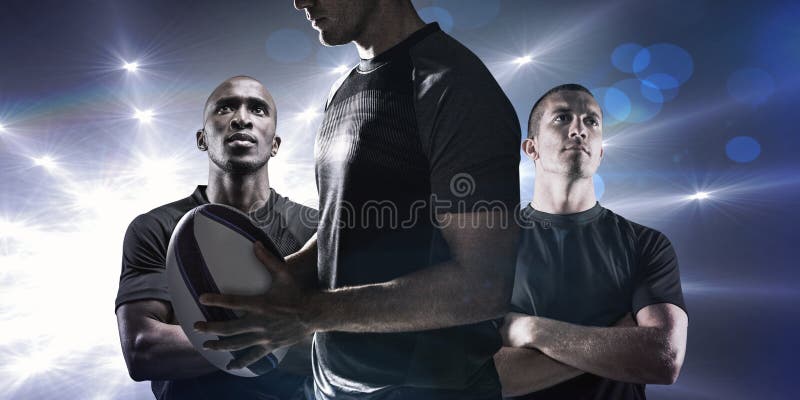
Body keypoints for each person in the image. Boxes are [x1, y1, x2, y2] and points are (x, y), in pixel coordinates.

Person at [194, 1, 521, 399]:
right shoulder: (342, 89)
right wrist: (267, 286)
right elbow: (341, 230)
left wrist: (308, 312)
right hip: (330, 386)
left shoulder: (455, 86)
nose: (299, 2)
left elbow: (484, 286)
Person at [115, 76, 318, 400]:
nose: (241, 118)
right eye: (225, 108)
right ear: (202, 139)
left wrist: (210, 335)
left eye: (258, 109)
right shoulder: (155, 227)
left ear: (275, 143)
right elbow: (143, 349)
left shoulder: (315, 231)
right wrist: (279, 333)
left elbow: (351, 346)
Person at [494, 84, 688, 399]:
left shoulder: (646, 244)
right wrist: (619, 338)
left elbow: (663, 359)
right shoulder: (490, 246)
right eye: (562, 118)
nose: (579, 130)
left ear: (600, 151)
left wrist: (530, 330)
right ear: (531, 148)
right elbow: (482, 377)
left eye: (591, 122)